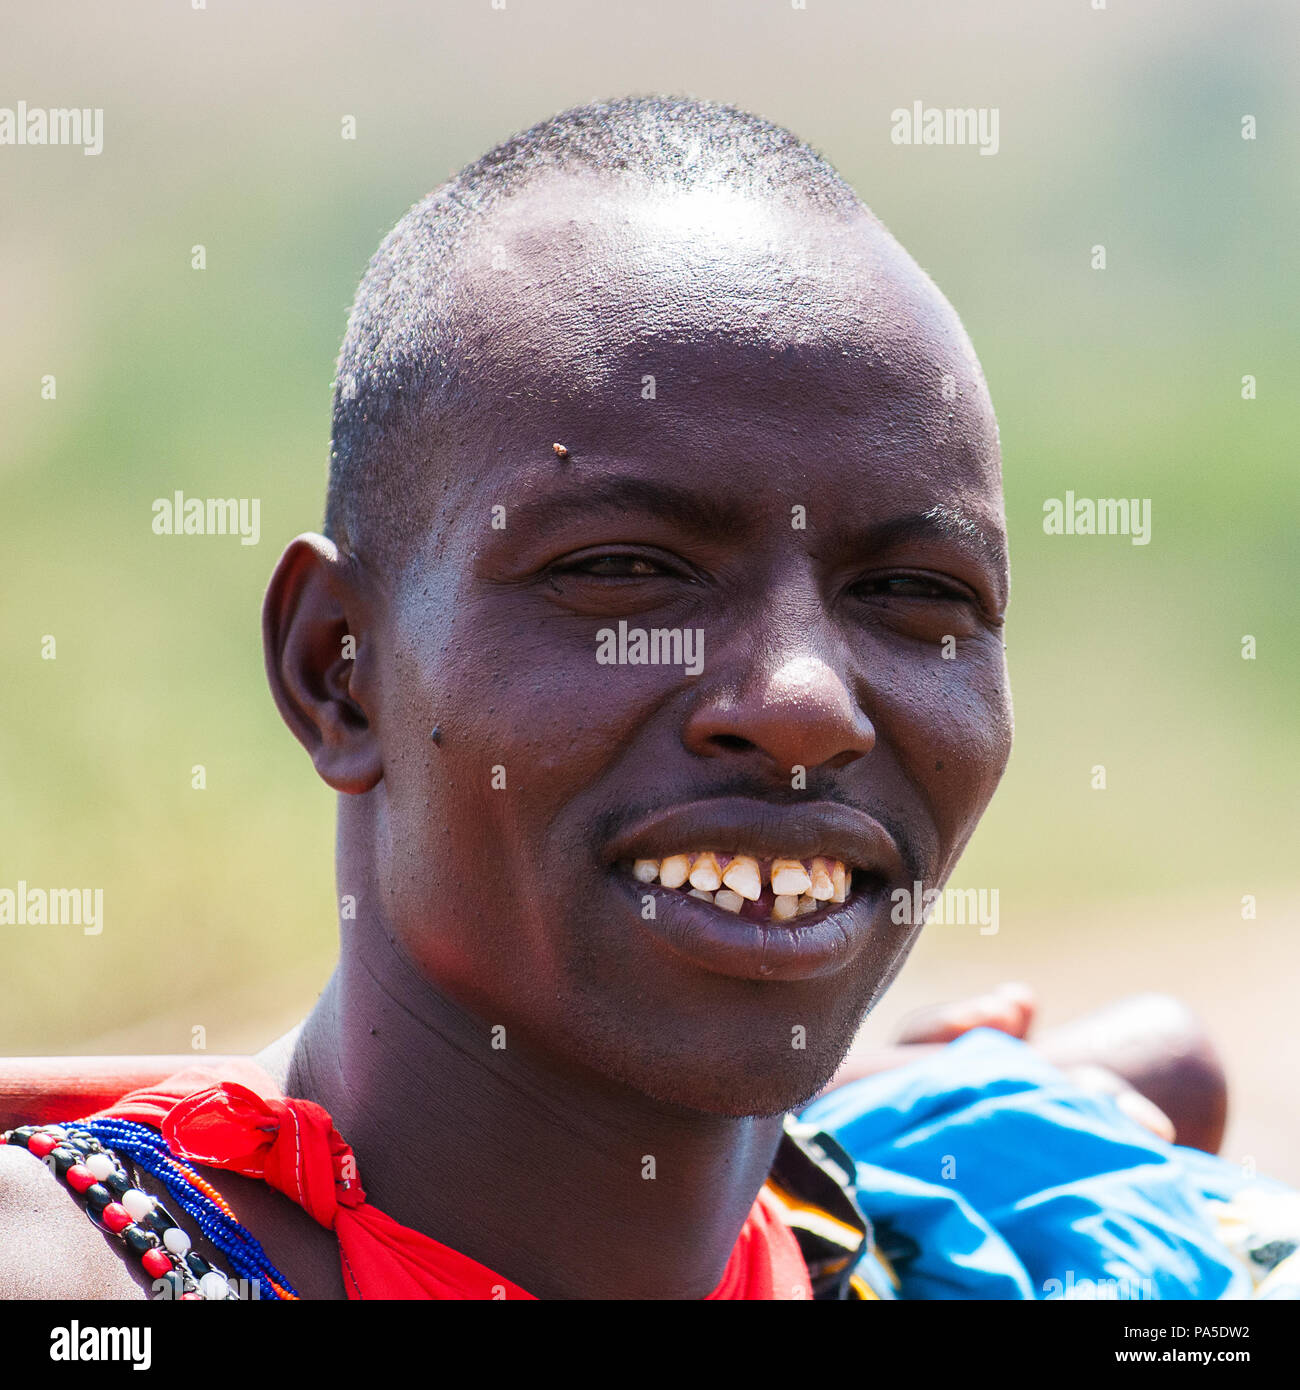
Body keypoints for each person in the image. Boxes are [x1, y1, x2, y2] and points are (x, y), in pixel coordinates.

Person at [1, 96, 1294, 1301]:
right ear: (337, 669)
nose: (803, 705)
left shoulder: (947, 1233)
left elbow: (1168, 1064)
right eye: (627, 571)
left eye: (913, 590)